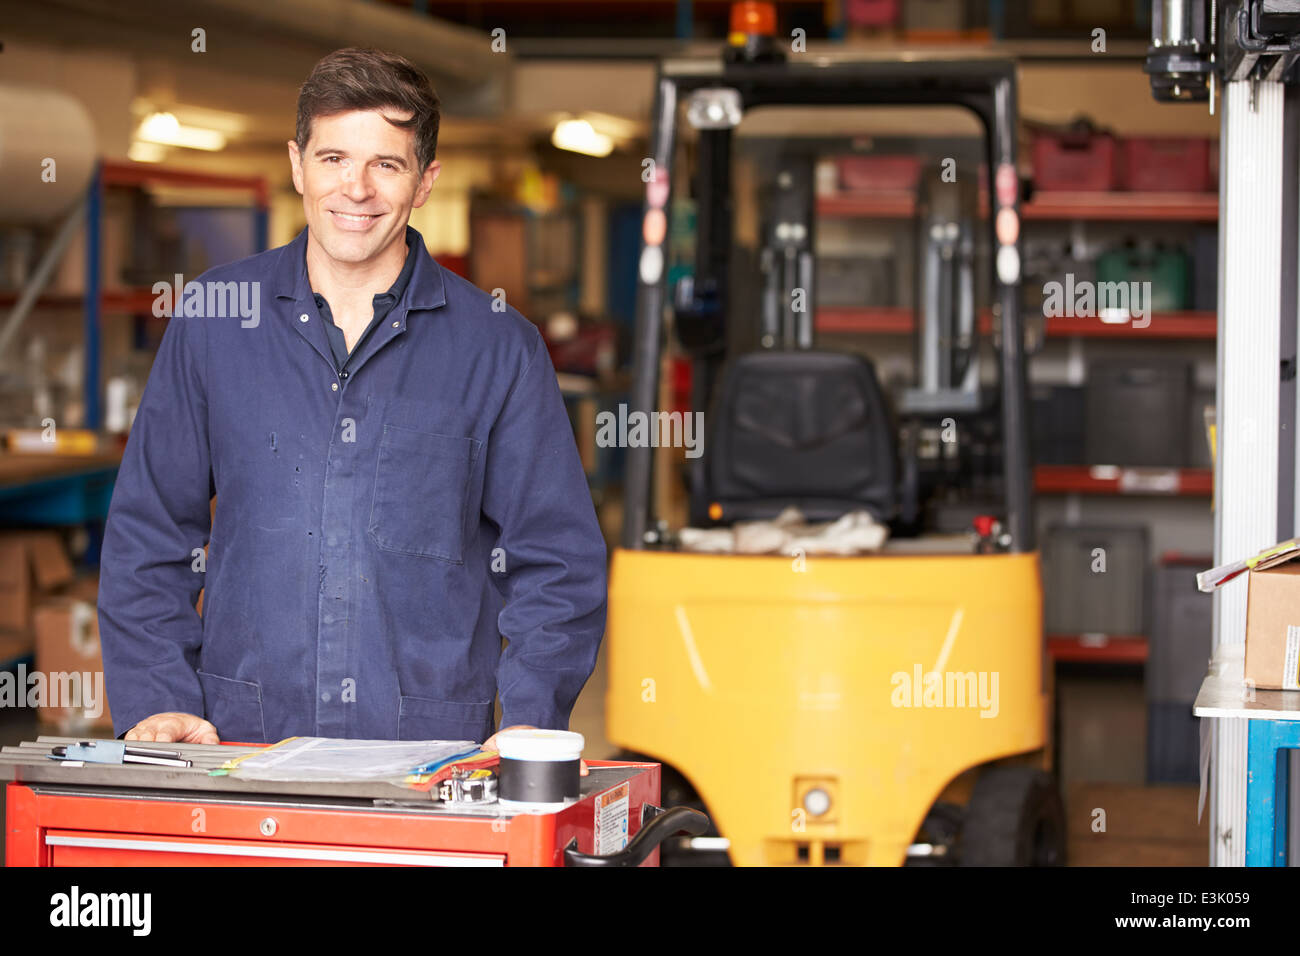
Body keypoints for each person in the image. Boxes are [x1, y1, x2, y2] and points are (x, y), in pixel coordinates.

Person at [98, 48, 607, 755]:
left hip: (429, 755)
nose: (356, 188)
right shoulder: (217, 321)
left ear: (425, 181)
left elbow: (558, 560)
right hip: (241, 745)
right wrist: (158, 698)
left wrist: (528, 717)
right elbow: (149, 533)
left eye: (386, 165)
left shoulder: (497, 347)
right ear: (297, 164)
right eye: (334, 158)